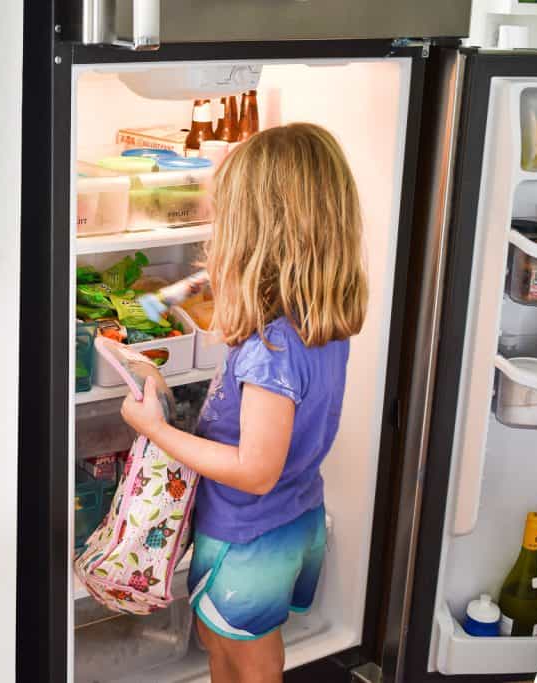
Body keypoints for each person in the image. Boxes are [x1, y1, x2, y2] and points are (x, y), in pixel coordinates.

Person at [121, 123, 367, 683]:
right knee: (221, 638)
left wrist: (154, 427)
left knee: (251, 661)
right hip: (294, 514)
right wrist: (183, 289)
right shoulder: (314, 319)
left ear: (255, 237)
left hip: (249, 532)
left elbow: (253, 471)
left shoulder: (269, 353)